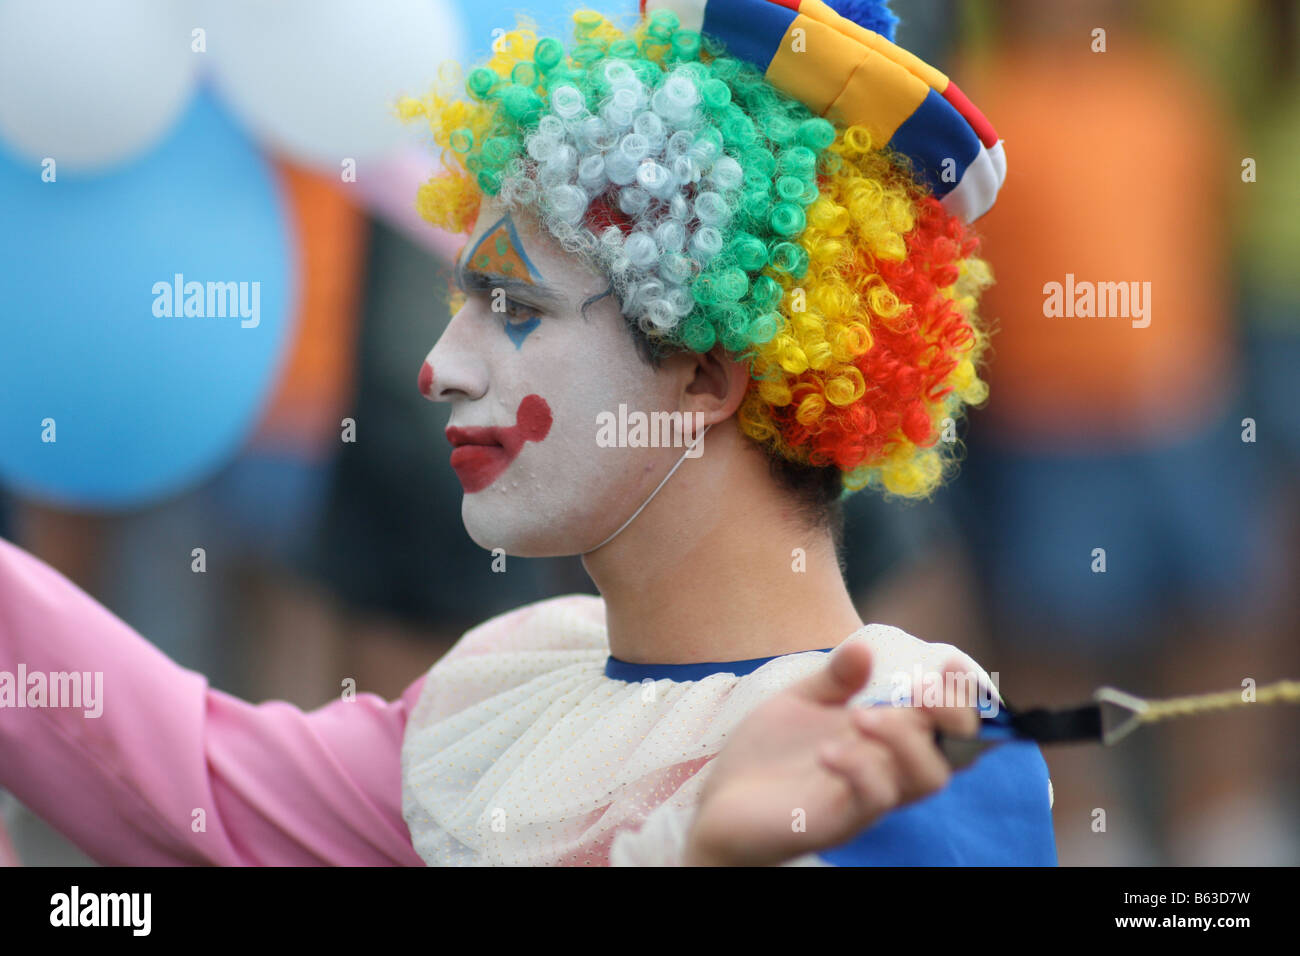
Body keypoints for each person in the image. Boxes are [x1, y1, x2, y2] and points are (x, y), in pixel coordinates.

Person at [0, 0, 1055, 866]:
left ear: (699, 377)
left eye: (514, 308)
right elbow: (180, 776)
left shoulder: (906, 746)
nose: (438, 367)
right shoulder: (503, 689)